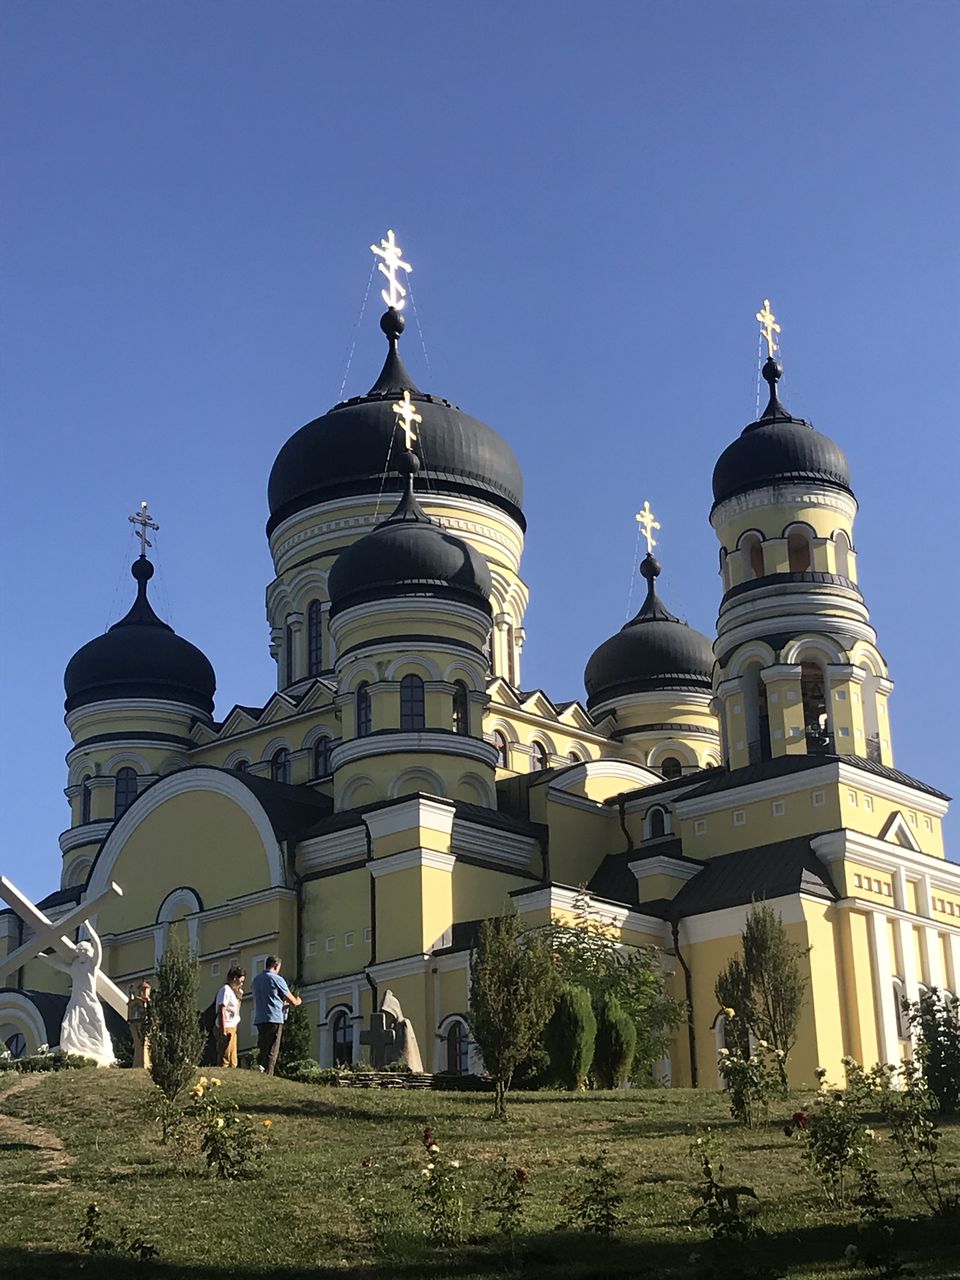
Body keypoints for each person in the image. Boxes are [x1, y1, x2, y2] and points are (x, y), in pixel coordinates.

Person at [59, 922, 115, 1067]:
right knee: (68, 1026)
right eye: (79, 952)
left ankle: (101, 1049)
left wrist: (88, 926)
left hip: (90, 1002)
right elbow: (59, 966)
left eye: (82, 951)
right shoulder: (75, 967)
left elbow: (97, 944)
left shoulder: (92, 965)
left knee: (98, 1023)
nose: (80, 954)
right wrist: (42, 956)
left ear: (87, 951)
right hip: (76, 1002)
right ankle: (70, 1050)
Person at [251, 956, 301, 1075]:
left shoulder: (256, 980)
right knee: (273, 1049)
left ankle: (261, 1069)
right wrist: (297, 1000)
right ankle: (269, 1073)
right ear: (275, 966)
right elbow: (291, 999)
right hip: (274, 1017)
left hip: (260, 1017)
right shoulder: (277, 979)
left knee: (263, 1048)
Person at [215, 966, 245, 1068]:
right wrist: (223, 1030)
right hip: (226, 1026)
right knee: (225, 1056)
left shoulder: (232, 992)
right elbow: (221, 1009)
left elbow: (236, 1011)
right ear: (235, 978)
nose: (242, 984)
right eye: (241, 981)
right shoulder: (225, 990)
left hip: (232, 1026)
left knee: (233, 1058)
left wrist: (239, 997)